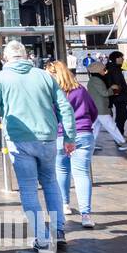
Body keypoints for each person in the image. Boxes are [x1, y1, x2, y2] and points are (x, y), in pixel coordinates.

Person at [0, 41, 75, 253]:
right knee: (51, 183)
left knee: (28, 189)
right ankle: (59, 232)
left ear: (6, 58)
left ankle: (42, 239)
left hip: (19, 139)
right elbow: (65, 107)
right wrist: (69, 136)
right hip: (48, 138)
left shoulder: (0, 78)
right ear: (25, 56)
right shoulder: (43, 76)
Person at [48, 60, 99, 228]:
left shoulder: (52, 93)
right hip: (83, 133)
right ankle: (86, 214)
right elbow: (93, 111)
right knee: (82, 174)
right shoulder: (80, 90)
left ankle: (64, 204)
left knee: (61, 170)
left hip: (61, 135)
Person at [86, 63, 127, 151]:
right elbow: (105, 93)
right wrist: (112, 88)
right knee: (111, 126)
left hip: (97, 108)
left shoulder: (94, 79)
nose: (105, 71)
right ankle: (121, 143)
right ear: (98, 71)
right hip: (100, 108)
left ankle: (90, 144)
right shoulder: (96, 80)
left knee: (95, 127)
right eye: (103, 70)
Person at [103, 50, 127, 139]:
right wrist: (117, 92)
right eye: (121, 57)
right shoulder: (114, 69)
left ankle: (119, 134)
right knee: (122, 115)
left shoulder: (114, 68)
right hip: (119, 96)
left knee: (122, 115)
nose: (122, 59)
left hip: (118, 95)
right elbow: (116, 83)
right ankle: (119, 135)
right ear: (117, 58)